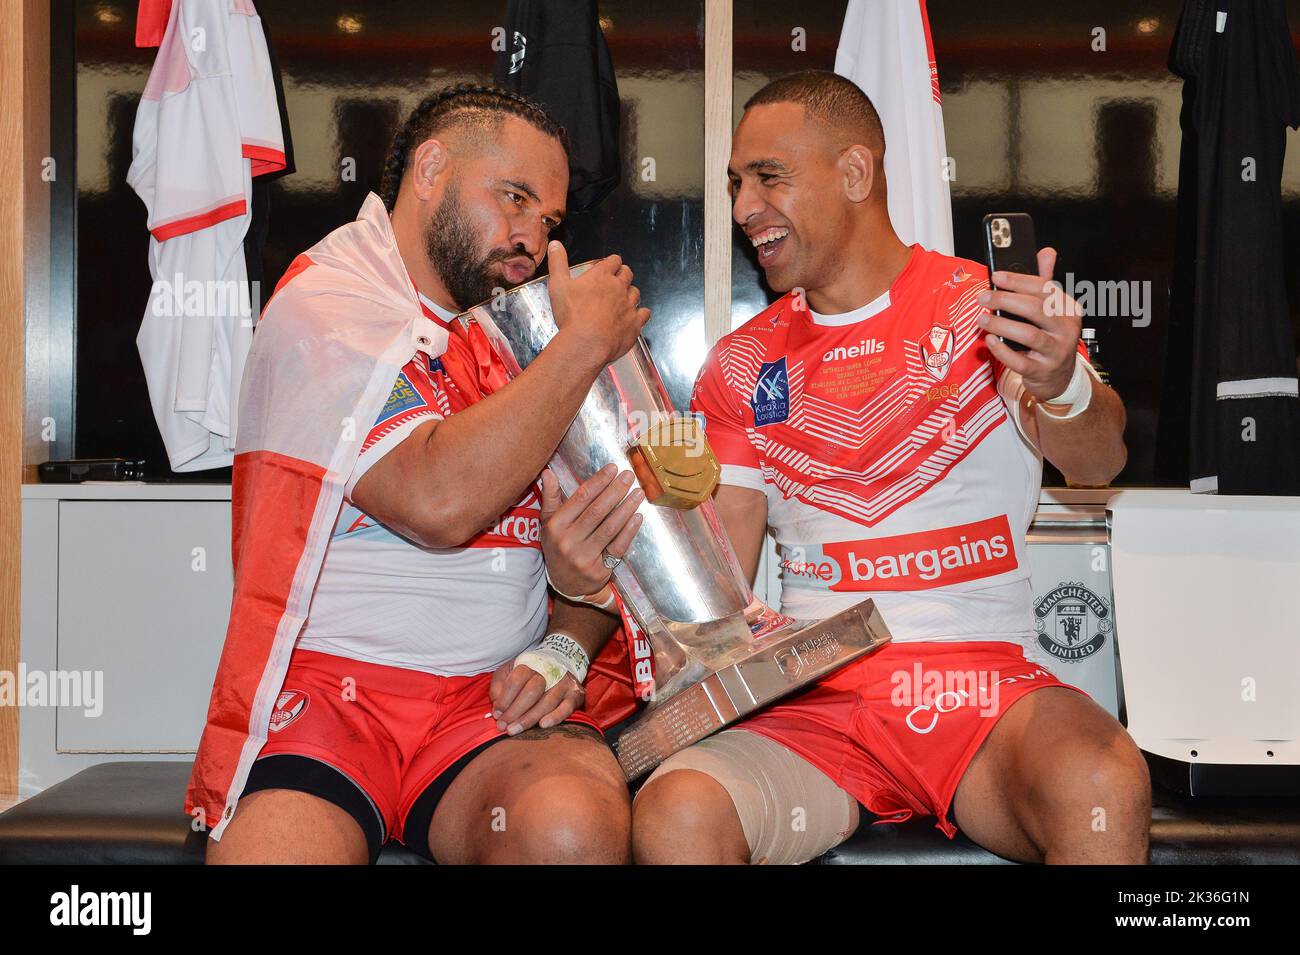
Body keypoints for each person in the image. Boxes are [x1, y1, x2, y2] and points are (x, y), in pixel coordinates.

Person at [544, 71, 1150, 865]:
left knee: (1103, 782)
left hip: (982, 692)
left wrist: (1063, 381)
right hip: (815, 700)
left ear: (856, 173)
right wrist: (598, 409)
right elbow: (719, 578)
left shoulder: (985, 309)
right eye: (734, 184)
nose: (742, 209)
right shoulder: (741, 362)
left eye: (768, 177)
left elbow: (1100, 457)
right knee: (679, 813)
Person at [193, 84, 649, 864]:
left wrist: (567, 643)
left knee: (568, 829)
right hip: (333, 698)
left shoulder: (529, 327)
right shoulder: (330, 303)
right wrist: (581, 347)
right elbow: (436, 502)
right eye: (513, 198)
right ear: (431, 168)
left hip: (490, 699)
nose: (531, 239)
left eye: (548, 221)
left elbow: (621, 548)